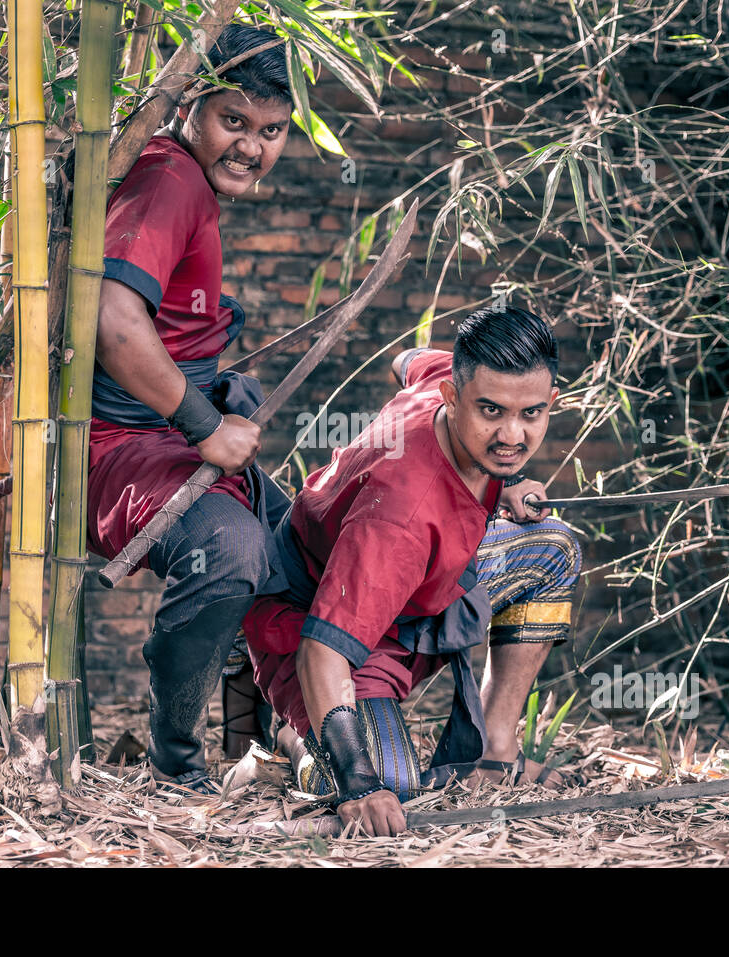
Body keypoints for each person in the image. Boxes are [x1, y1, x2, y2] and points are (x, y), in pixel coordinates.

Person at [242, 306, 583, 835]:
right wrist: (357, 785)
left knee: (551, 549)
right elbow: (322, 651)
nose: (512, 435)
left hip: (408, 596)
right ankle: (292, 734)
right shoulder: (401, 514)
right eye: (491, 412)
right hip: (311, 623)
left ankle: (495, 753)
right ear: (453, 396)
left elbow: (407, 361)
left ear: (550, 403)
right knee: (387, 784)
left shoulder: (442, 382)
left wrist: (502, 484)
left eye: (530, 414)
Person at [87, 24, 294, 794]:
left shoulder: (193, 183)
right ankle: (177, 764)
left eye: (271, 130)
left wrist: (211, 384)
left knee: (292, 547)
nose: (251, 147)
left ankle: (259, 751)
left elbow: (165, 318)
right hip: (116, 447)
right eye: (232, 122)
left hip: (167, 432)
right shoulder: (169, 180)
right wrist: (205, 424)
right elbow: (114, 324)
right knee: (233, 552)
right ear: (190, 108)